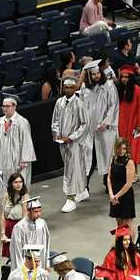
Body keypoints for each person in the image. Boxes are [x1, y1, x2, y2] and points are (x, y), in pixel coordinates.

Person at [51, 76, 92, 214]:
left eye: (70, 87)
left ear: (75, 88)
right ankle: (82, 190)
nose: (68, 89)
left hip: (74, 142)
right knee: (72, 167)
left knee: (72, 169)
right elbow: (55, 120)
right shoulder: (59, 102)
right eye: (66, 87)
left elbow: (85, 124)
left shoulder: (79, 103)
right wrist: (56, 133)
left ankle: (71, 198)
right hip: (62, 141)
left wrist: (72, 137)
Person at [0, 94, 35, 193]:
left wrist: (24, 160)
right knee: (4, 185)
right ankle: (7, 205)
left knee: (18, 184)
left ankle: (21, 206)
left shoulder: (21, 122)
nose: (5, 108)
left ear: (14, 106)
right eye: (3, 106)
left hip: (18, 160)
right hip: (3, 160)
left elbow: (27, 142)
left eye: (8, 106)